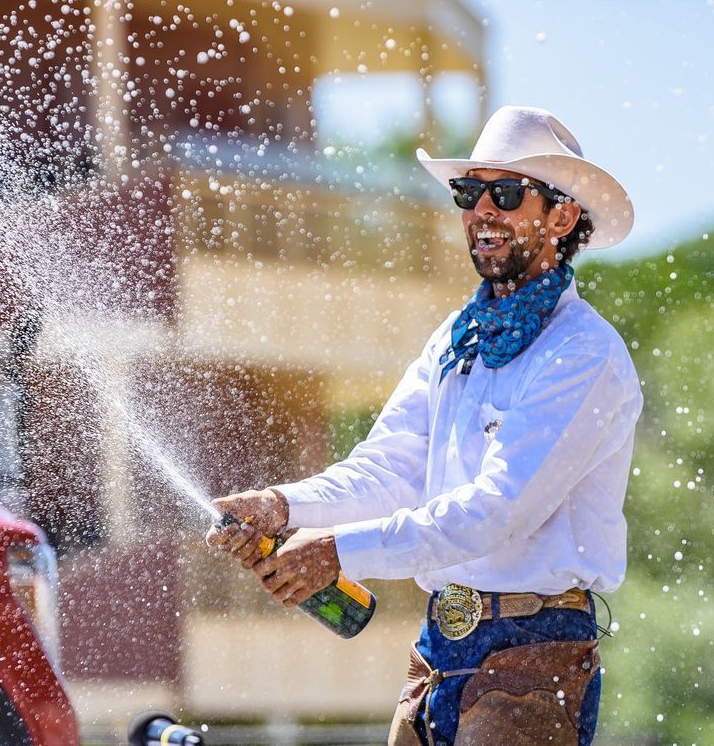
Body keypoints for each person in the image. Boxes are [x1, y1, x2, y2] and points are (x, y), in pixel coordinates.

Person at [207, 106, 643, 746]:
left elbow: (499, 510)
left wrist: (336, 550)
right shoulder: (455, 339)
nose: (481, 211)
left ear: (562, 216)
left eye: (507, 193)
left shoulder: (583, 352)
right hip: (439, 650)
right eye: (470, 193)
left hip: (535, 655)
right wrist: (281, 506)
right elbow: (387, 469)